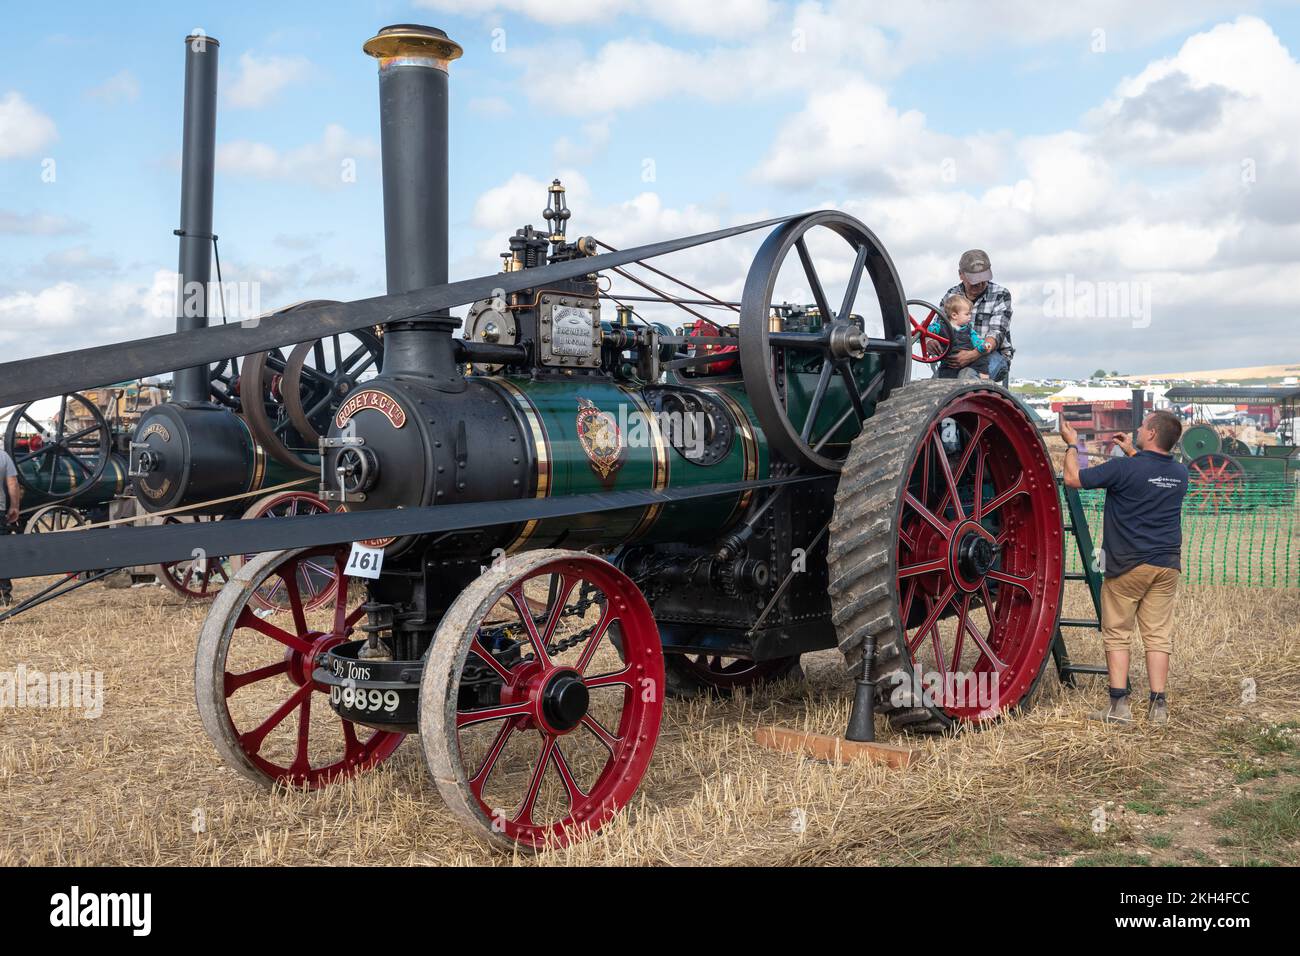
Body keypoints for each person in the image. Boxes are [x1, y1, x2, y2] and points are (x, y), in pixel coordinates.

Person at [1060, 411, 1188, 726]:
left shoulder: (1123, 469)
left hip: (1128, 564)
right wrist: (1132, 449)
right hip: (1167, 565)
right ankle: (1158, 708)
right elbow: (1149, 473)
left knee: (1117, 634)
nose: (1139, 429)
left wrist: (1073, 445)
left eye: (1144, 426)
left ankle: (1119, 707)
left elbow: (1073, 479)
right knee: (1158, 636)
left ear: (1153, 434)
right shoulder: (1181, 474)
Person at [941, 249, 1012, 384]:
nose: (979, 284)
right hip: (956, 355)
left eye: (983, 279)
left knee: (967, 377)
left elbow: (997, 333)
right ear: (961, 275)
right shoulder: (951, 296)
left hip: (992, 355)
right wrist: (930, 341)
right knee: (935, 386)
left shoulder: (1000, 294)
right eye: (974, 280)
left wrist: (973, 355)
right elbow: (940, 325)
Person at [931, 292, 990, 380]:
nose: (970, 317)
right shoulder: (940, 327)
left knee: (981, 356)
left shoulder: (969, 330)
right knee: (938, 379)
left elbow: (977, 342)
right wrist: (927, 338)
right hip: (948, 363)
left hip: (968, 362)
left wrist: (983, 346)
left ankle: (983, 373)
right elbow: (927, 332)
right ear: (954, 315)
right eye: (967, 314)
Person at [0, 447, 19, 605]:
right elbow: (12, 483)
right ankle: (4, 595)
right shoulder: (3, 456)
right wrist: (14, 506)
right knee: (1, 553)